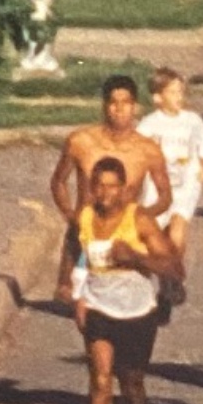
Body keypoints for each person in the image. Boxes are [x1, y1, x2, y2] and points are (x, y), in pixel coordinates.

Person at [74, 157, 185, 404]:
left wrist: (135, 257)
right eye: (99, 186)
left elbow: (175, 268)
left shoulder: (139, 220)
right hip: (99, 307)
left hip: (137, 314)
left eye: (113, 186)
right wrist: (77, 295)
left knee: (132, 389)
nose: (105, 193)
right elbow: (77, 254)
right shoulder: (85, 217)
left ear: (124, 189)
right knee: (100, 383)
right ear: (91, 187)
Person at [49, 76, 173, 302]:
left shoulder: (147, 150)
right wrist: (70, 215)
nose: (119, 109)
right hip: (83, 234)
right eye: (113, 103)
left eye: (125, 103)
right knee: (69, 298)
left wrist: (141, 218)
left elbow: (165, 196)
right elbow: (58, 181)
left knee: (123, 300)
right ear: (104, 105)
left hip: (123, 236)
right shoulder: (81, 141)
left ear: (135, 107)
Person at [136, 67, 203, 264]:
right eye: (172, 92)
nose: (179, 97)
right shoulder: (149, 125)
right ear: (157, 98)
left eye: (181, 91)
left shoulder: (192, 121)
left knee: (177, 228)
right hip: (157, 185)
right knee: (152, 232)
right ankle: (158, 270)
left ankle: (174, 272)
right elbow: (136, 153)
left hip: (186, 183)